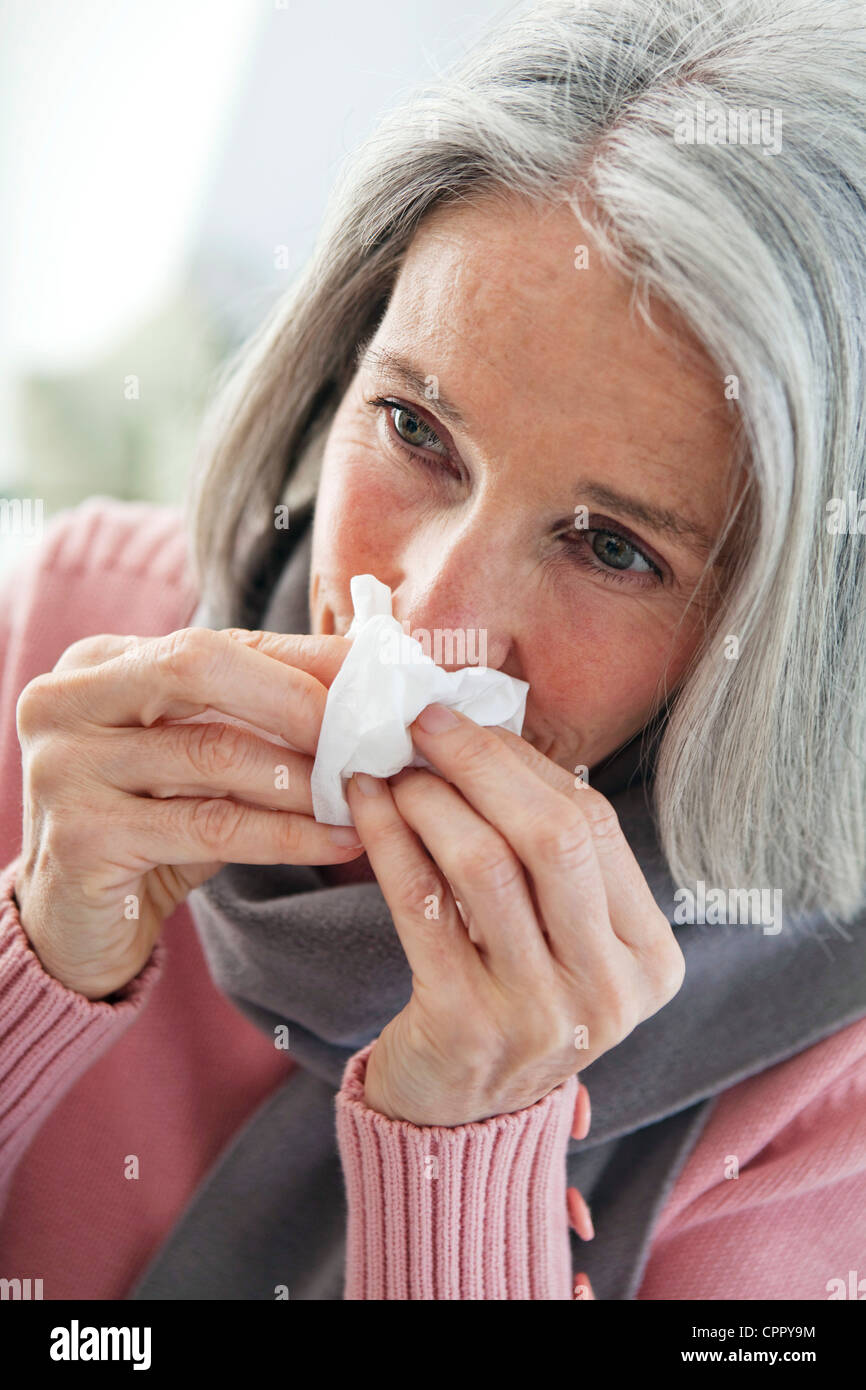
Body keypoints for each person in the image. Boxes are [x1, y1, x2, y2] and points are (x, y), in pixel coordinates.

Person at [2, 0, 865, 1301]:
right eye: (413, 429)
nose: (423, 602)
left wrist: (464, 1153)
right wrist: (38, 954)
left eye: (610, 545)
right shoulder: (61, 650)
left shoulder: (830, 1089)